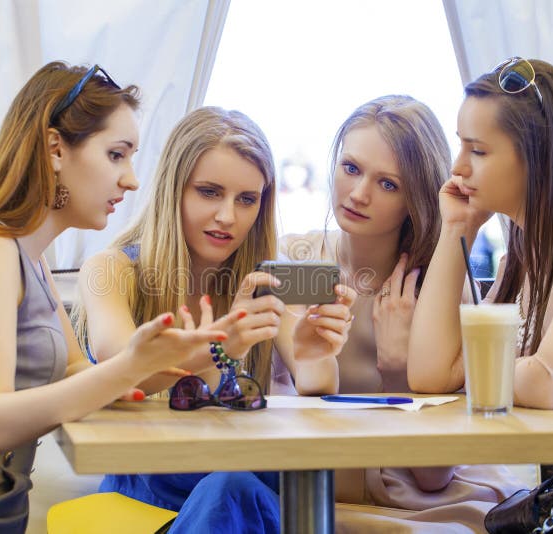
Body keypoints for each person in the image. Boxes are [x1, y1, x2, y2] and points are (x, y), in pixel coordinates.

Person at [0, 62, 234, 533]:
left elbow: (84, 376)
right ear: (56, 148)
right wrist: (128, 365)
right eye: (117, 155)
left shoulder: (30, 259)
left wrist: (192, 352)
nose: (132, 180)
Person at [76, 106, 355, 533]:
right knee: (229, 490)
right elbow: (122, 367)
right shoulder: (112, 270)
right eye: (209, 192)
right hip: (145, 508)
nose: (228, 216)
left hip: (247, 499)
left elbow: (318, 389)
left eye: (247, 199)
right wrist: (219, 348)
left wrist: (314, 354)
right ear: (174, 189)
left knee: (235, 488)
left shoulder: (269, 280)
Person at [273, 95, 525, 532]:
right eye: (350, 168)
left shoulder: (440, 282)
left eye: (388, 184)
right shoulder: (297, 259)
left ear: (416, 198)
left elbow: (432, 476)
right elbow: (299, 403)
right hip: (318, 491)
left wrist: (396, 373)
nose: (358, 194)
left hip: (425, 503)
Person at [408, 58, 553, 532]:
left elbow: (552, 382)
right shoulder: (525, 250)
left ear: (537, 155)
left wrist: (483, 375)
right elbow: (432, 373)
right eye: (460, 145)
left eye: (478, 150)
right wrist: (457, 228)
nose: (457, 167)